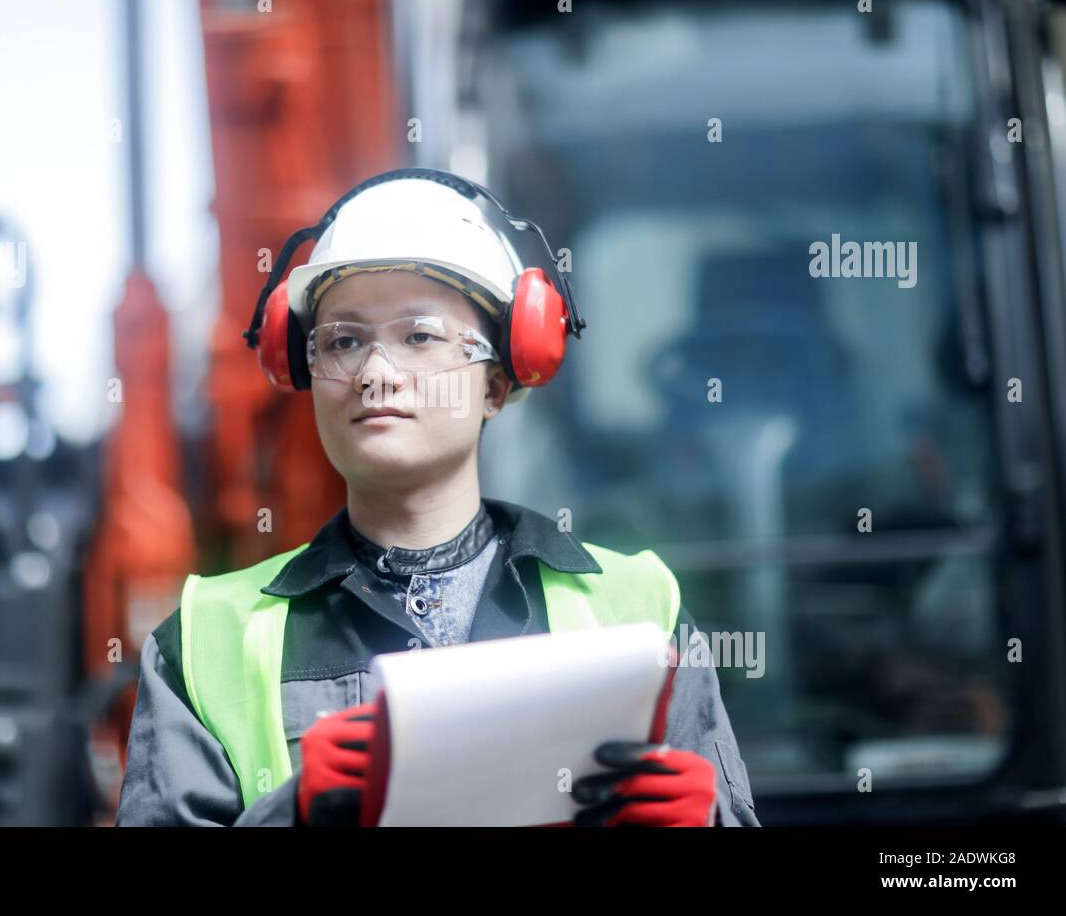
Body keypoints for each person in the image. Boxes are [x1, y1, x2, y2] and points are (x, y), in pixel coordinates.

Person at [116, 169, 759, 827]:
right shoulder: (205, 638)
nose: (374, 374)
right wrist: (296, 816)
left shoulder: (641, 607)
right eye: (342, 341)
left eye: (419, 336)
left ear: (498, 383)